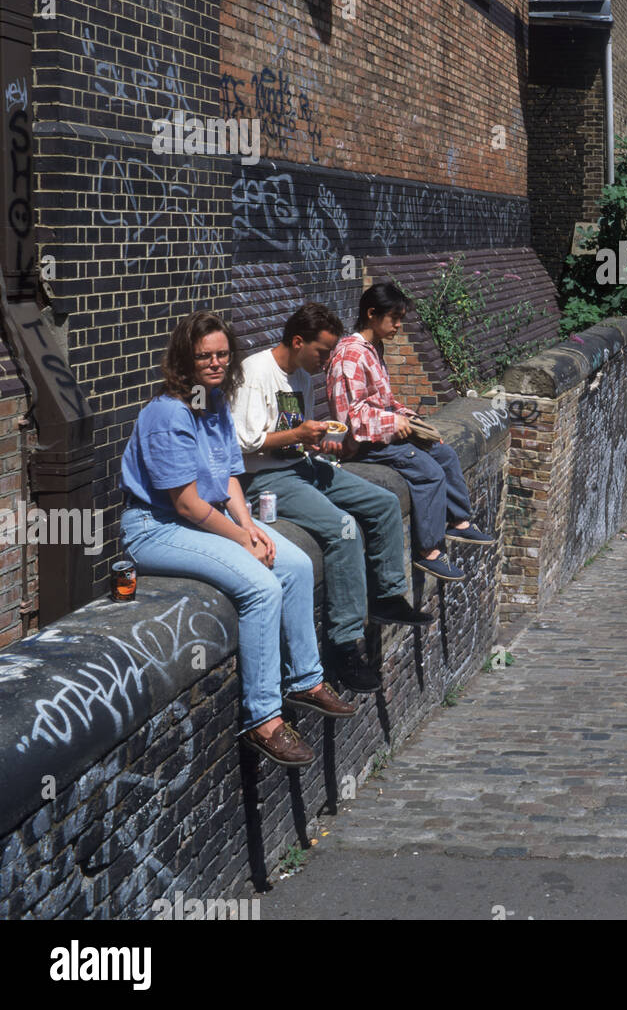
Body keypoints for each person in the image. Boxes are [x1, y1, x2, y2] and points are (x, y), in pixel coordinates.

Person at [121, 311, 356, 768]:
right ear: (184, 359)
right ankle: (263, 719)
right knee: (261, 587)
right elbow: (187, 504)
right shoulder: (168, 414)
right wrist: (242, 539)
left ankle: (306, 679)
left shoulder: (214, 403)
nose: (215, 363)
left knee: (297, 565)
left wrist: (248, 525)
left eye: (223, 354)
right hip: (158, 528)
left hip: (203, 520)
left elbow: (230, 477)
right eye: (204, 355)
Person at [232, 302, 431, 696]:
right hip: (265, 478)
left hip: (301, 464)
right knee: (343, 529)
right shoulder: (255, 374)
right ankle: (343, 646)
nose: (328, 359)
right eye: (323, 351)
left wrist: (320, 442)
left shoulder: (302, 376)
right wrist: (298, 436)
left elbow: (297, 433)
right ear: (297, 340)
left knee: (383, 503)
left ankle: (388, 596)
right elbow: (242, 445)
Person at [328, 283, 493, 583]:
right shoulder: (350, 355)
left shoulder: (373, 349)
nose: (399, 326)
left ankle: (458, 520)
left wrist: (411, 420)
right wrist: (393, 424)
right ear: (371, 314)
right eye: (394, 318)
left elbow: (385, 403)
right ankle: (427, 552)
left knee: (443, 451)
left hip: (382, 434)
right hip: (363, 445)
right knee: (428, 472)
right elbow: (349, 417)